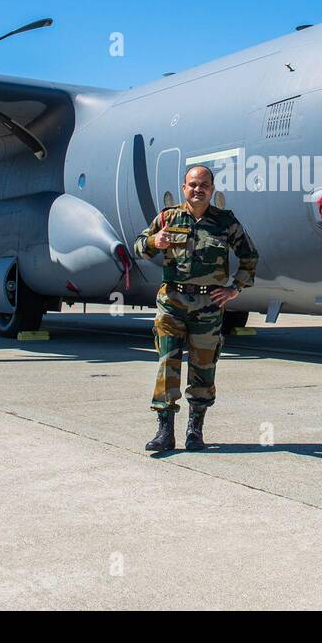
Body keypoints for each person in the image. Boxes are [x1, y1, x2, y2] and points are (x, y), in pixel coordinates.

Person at [133, 164, 258, 451]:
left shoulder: (226, 223)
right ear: (184, 188)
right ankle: (165, 432)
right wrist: (155, 240)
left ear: (212, 189)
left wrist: (235, 288)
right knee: (167, 364)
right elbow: (139, 246)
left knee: (204, 367)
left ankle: (195, 430)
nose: (197, 189)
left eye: (203, 185)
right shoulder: (168, 217)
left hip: (209, 306)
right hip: (172, 303)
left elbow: (250, 256)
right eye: (192, 184)